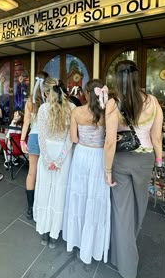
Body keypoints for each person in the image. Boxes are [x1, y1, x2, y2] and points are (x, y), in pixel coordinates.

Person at [104, 60, 163, 278]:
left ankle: (124, 263)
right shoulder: (153, 102)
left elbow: (110, 142)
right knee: (139, 209)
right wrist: (159, 162)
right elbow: (156, 138)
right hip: (145, 160)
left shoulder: (113, 103)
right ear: (138, 77)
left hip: (120, 162)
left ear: (117, 79)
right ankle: (127, 255)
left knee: (122, 211)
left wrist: (107, 170)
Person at [63, 79, 111, 264]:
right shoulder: (107, 112)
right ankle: (93, 242)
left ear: (85, 93)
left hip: (82, 154)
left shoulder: (77, 111)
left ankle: (76, 237)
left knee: (78, 194)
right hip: (100, 156)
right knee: (95, 197)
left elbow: (74, 138)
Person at [33, 77, 75, 248]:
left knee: (45, 190)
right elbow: (70, 139)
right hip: (63, 156)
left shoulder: (43, 108)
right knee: (59, 192)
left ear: (47, 92)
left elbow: (41, 137)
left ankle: (44, 230)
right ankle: (55, 232)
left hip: (47, 152)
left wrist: (48, 159)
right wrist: (59, 160)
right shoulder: (72, 108)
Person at [20, 72, 48, 220]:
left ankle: (30, 208)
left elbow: (26, 123)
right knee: (46, 173)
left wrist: (22, 140)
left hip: (33, 137)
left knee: (32, 172)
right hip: (48, 139)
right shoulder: (49, 101)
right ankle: (43, 204)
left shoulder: (30, 102)